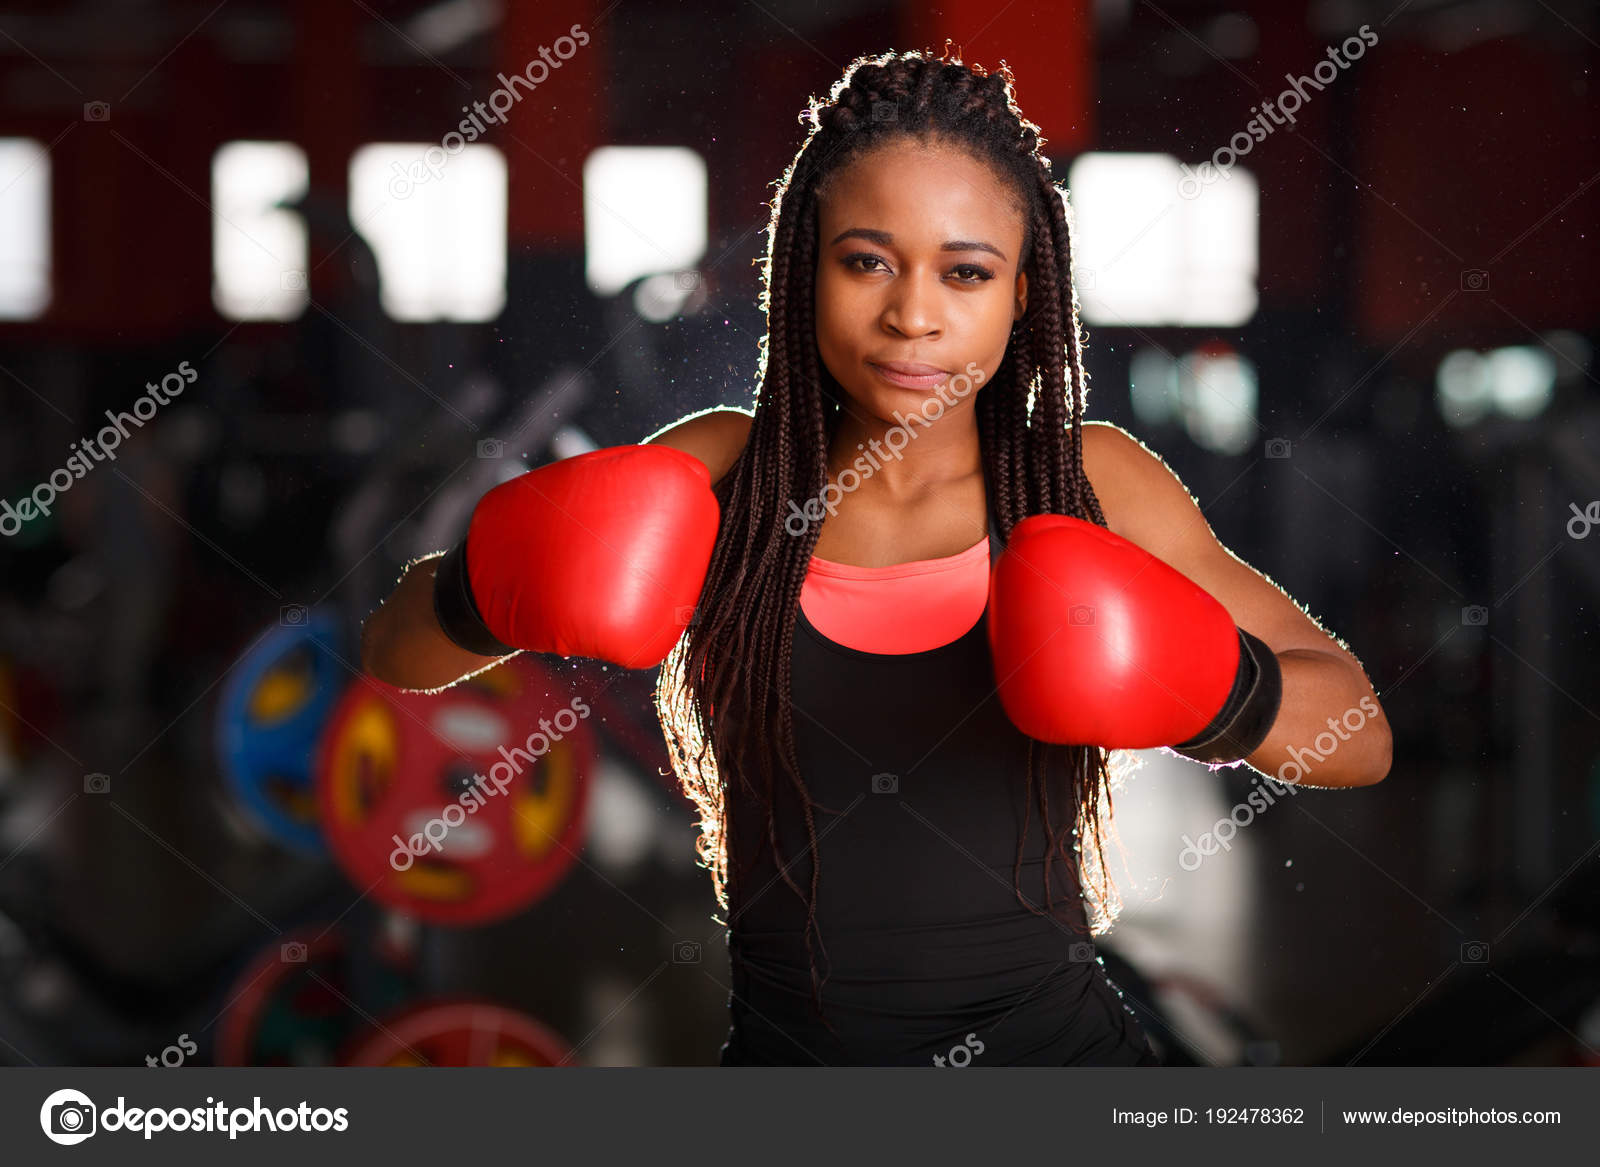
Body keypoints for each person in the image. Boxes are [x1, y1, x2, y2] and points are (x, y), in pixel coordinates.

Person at [362, 47, 1392, 1067]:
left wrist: (1219, 691)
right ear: (804, 272)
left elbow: (1358, 732)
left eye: (965, 273)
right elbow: (391, 655)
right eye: (866, 261)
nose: (912, 314)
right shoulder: (719, 473)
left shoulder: (1091, 479)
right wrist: (480, 592)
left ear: (1024, 294)